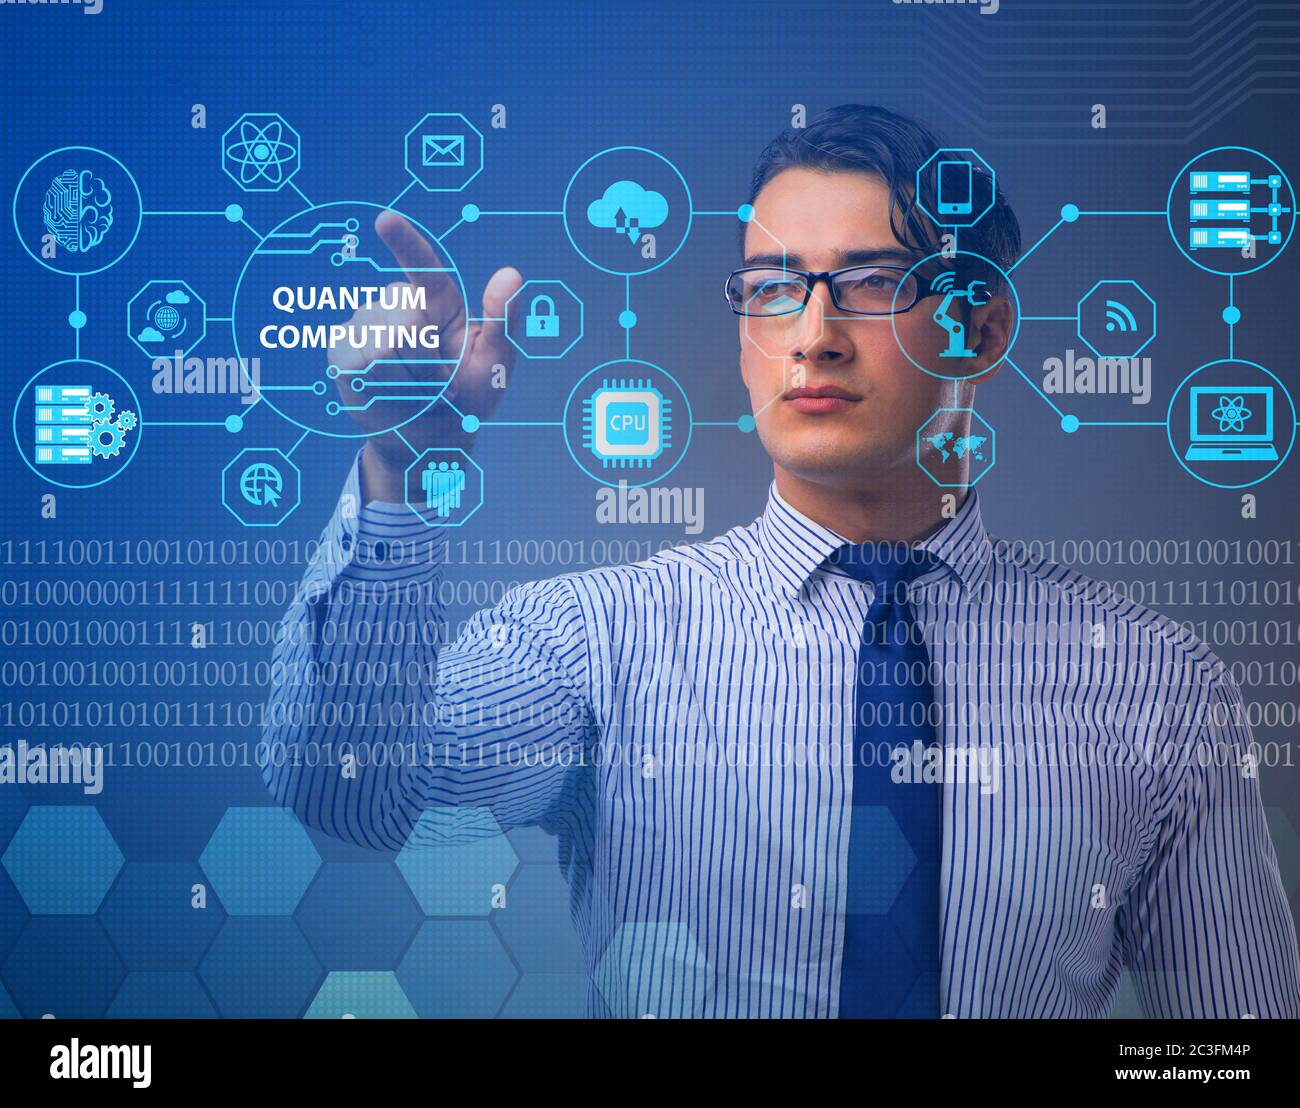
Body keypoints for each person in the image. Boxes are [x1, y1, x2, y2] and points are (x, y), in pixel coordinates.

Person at [260, 105, 1300, 1018]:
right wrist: (396, 463)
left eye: (872, 282)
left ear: (980, 327)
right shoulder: (599, 641)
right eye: (771, 288)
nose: (812, 335)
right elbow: (349, 794)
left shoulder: (1155, 687)